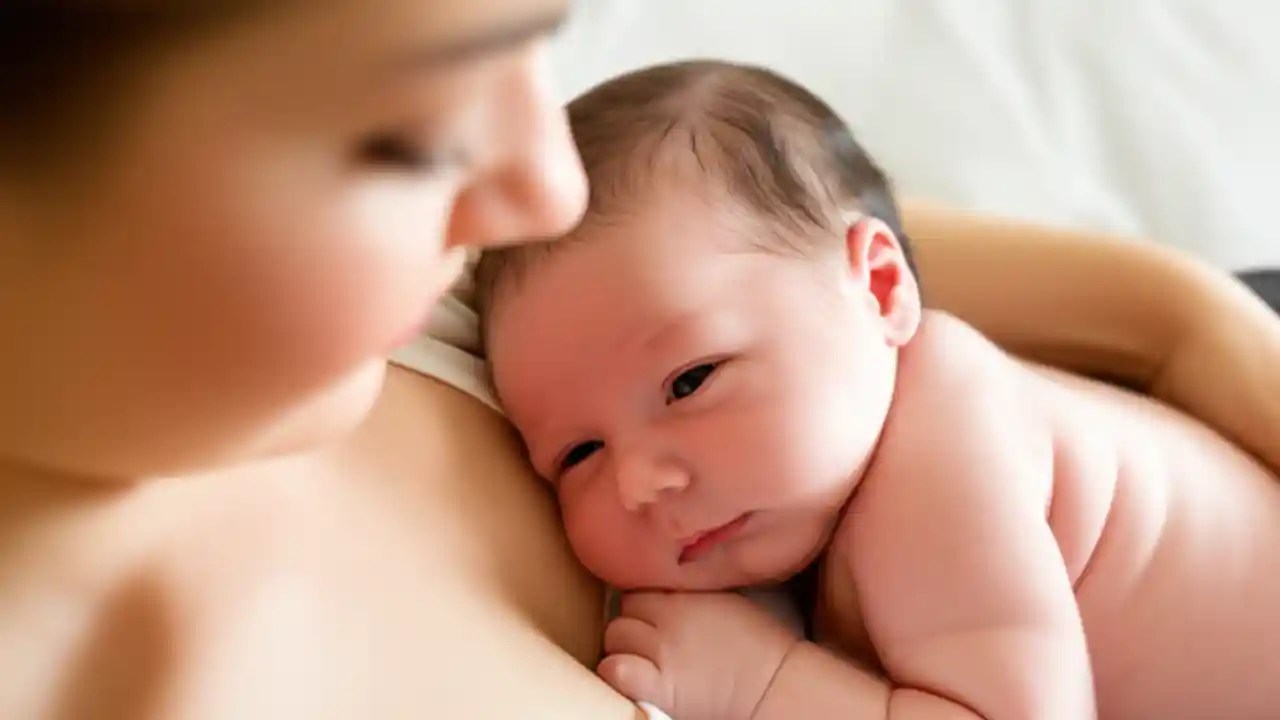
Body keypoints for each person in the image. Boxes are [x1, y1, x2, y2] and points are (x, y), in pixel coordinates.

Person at [1, 5, 1277, 719]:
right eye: (403, 137)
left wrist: (1194, 323)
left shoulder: (504, 262)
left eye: (538, 45)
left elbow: (778, 219)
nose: (538, 186)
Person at [476, 60, 1280, 719]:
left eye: (691, 381)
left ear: (882, 288)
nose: (638, 481)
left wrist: (764, 685)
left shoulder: (941, 454)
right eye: (577, 453)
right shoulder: (818, 475)